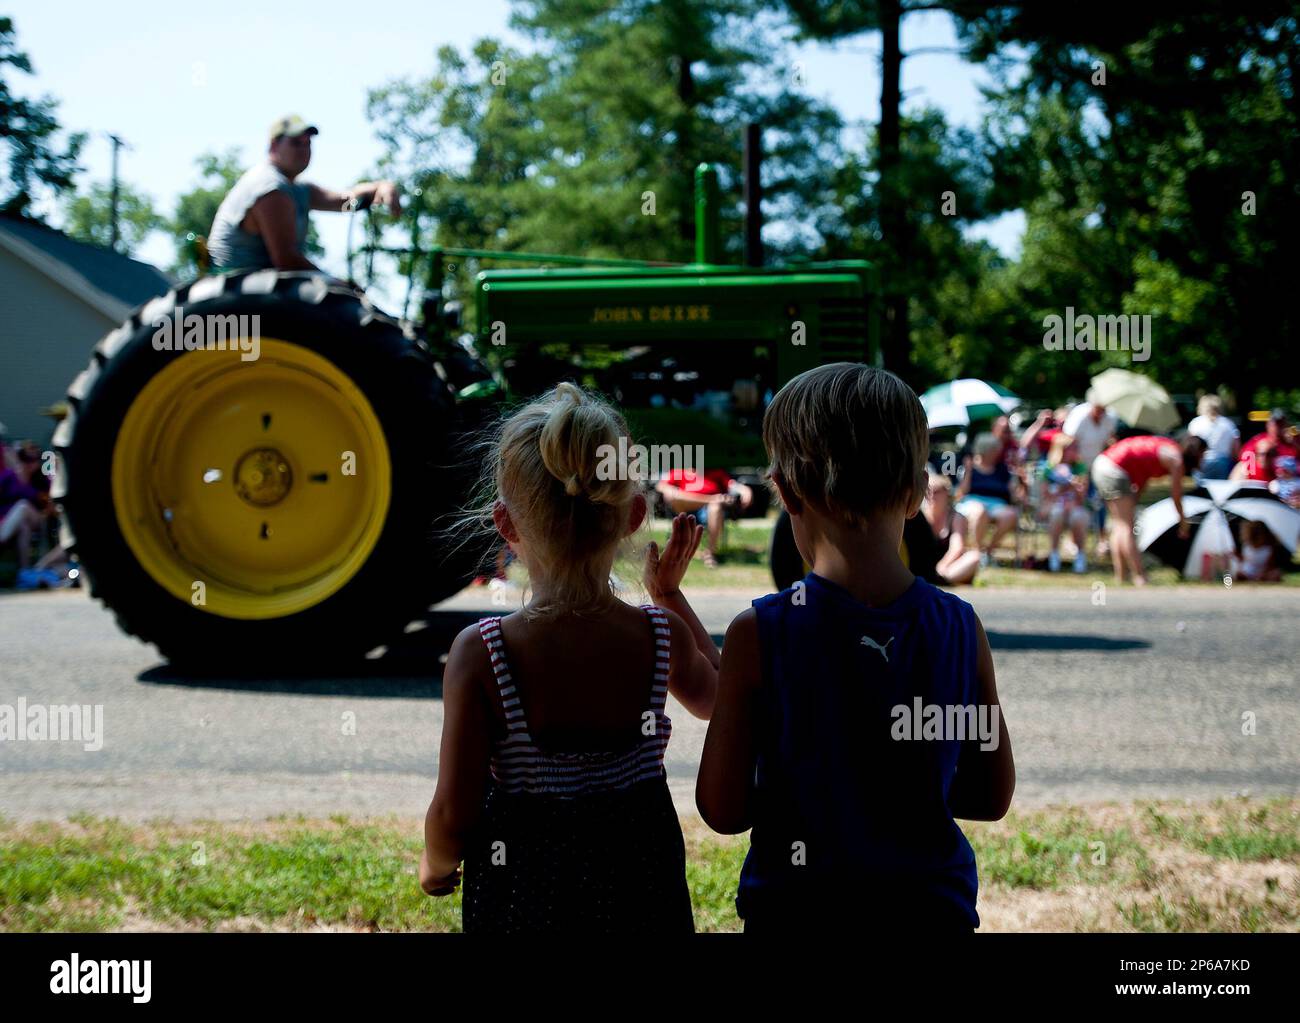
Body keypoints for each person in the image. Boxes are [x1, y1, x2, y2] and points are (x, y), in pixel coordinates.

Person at [696, 363, 1015, 933]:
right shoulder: (960, 628)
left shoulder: (760, 633)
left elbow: (722, 811)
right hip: (930, 912)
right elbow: (989, 795)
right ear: (917, 493)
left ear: (788, 493)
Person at [418, 383, 719, 932]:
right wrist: (670, 597)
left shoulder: (483, 654)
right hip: (641, 898)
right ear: (631, 517)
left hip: (524, 903)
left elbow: (452, 813)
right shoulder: (658, 634)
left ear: (505, 525)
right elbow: (718, 699)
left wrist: (435, 865)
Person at [206, 115, 402, 272]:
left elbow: (346, 202)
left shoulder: (298, 190)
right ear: (274, 146)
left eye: (307, 144)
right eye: (295, 143)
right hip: (237, 289)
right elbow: (287, 260)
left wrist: (381, 187)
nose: (303, 150)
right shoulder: (269, 187)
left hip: (264, 285)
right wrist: (337, 285)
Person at [1092, 433, 1206, 586]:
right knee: (1125, 526)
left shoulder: (1167, 448)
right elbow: (1176, 496)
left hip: (1104, 464)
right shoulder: (1176, 459)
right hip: (1114, 468)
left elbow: (1143, 473)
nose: (1204, 459)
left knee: (1120, 525)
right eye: (1203, 454)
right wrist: (1183, 521)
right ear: (1196, 452)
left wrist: (1134, 500)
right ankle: (1139, 577)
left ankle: (1121, 577)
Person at [654, 467, 753, 567]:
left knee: (715, 507)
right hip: (683, 509)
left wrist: (746, 490)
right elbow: (661, 486)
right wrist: (712, 499)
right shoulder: (679, 471)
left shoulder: (716, 472)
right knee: (674, 496)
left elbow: (734, 485)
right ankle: (710, 500)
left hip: (708, 511)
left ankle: (709, 553)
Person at [0, 444, 61, 589]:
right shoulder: (9, 477)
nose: (29, 463)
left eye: (33, 459)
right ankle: (24, 573)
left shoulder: (41, 479)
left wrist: (54, 471)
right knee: (23, 528)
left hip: (38, 519)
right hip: (9, 522)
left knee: (23, 507)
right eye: (25, 459)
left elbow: (50, 505)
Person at [955, 431, 1021, 565]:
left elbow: (1013, 494)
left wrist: (1019, 477)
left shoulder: (1002, 469)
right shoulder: (970, 467)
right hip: (972, 501)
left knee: (1011, 515)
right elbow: (961, 492)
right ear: (985, 450)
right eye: (994, 450)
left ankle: (989, 551)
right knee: (980, 512)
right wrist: (967, 472)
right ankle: (977, 552)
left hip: (997, 503)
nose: (997, 453)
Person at [913, 471, 980, 585]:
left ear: (947, 493)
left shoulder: (956, 517)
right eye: (928, 491)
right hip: (922, 567)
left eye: (937, 491)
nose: (932, 495)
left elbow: (957, 548)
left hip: (946, 568)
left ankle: (940, 579)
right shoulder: (919, 516)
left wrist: (940, 568)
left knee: (974, 557)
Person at [1042, 447, 1090, 573]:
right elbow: (1045, 496)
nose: (1074, 452)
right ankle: (1054, 554)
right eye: (1070, 449)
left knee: (1077, 516)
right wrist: (1064, 487)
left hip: (1075, 508)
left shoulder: (1080, 468)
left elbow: (1082, 498)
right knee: (1057, 513)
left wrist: (1076, 488)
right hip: (1052, 508)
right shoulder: (1048, 468)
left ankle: (1080, 555)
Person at [1232, 409, 1297, 482]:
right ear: (1268, 424)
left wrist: (1294, 444)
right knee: (1240, 467)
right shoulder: (1258, 440)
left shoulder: (1292, 444)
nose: (1277, 427)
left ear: (1285, 425)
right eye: (1275, 424)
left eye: (1281, 424)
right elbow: (1244, 456)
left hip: (1286, 482)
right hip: (1259, 479)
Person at [1187, 395, 1239, 480]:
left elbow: (1190, 446)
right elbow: (1235, 449)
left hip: (1202, 462)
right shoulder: (1228, 424)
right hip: (1223, 462)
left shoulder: (1195, 423)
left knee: (1202, 490)